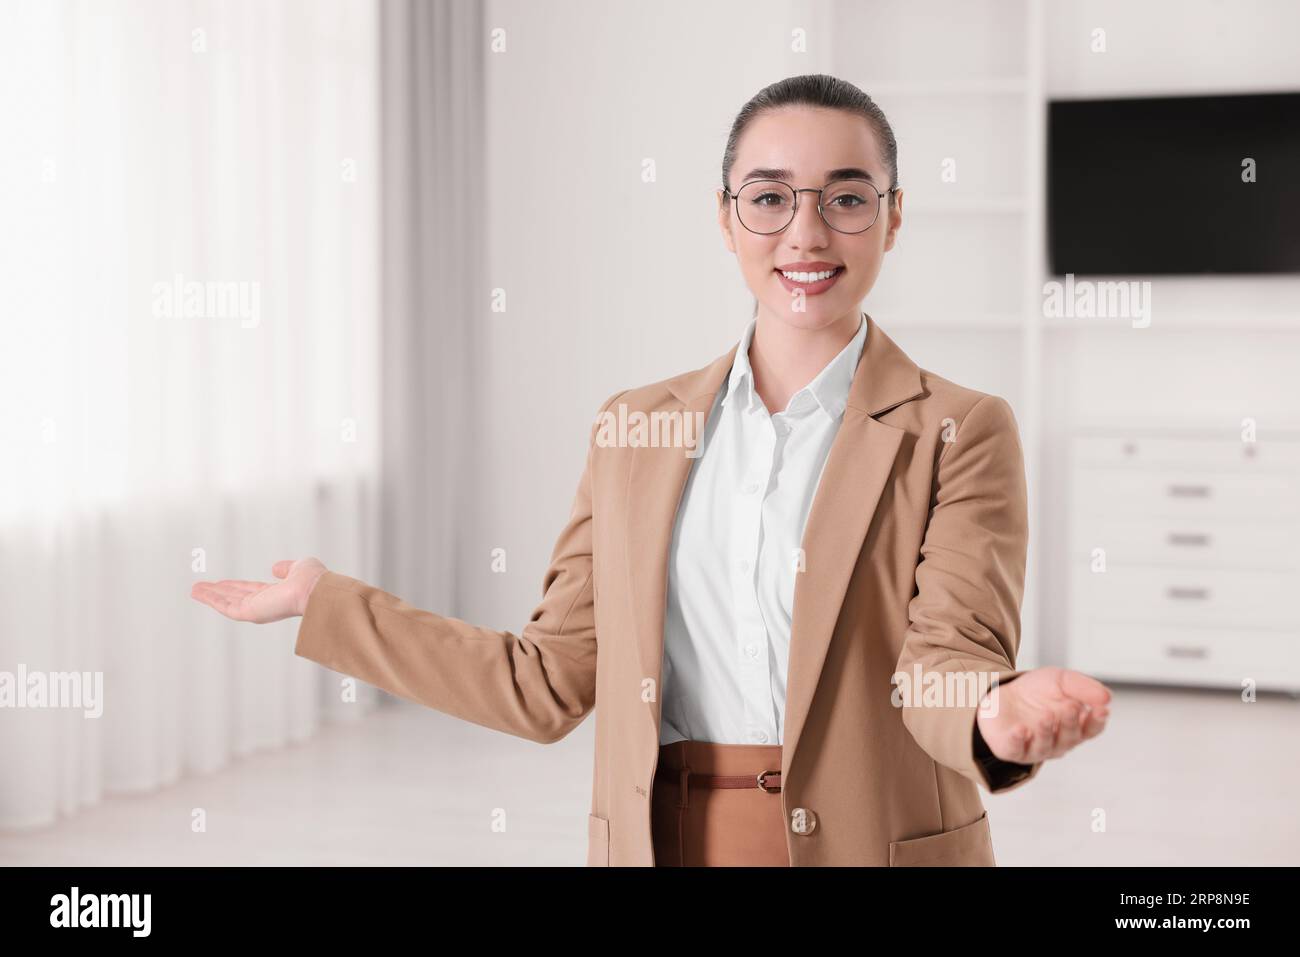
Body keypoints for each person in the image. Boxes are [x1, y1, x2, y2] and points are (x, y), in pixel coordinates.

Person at [192, 73, 1110, 867]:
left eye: (847, 196)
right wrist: (330, 606)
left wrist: (992, 711)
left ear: (892, 216)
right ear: (726, 217)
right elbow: (546, 681)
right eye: (769, 196)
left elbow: (938, 663)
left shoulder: (960, 429)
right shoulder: (634, 427)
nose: (806, 232)